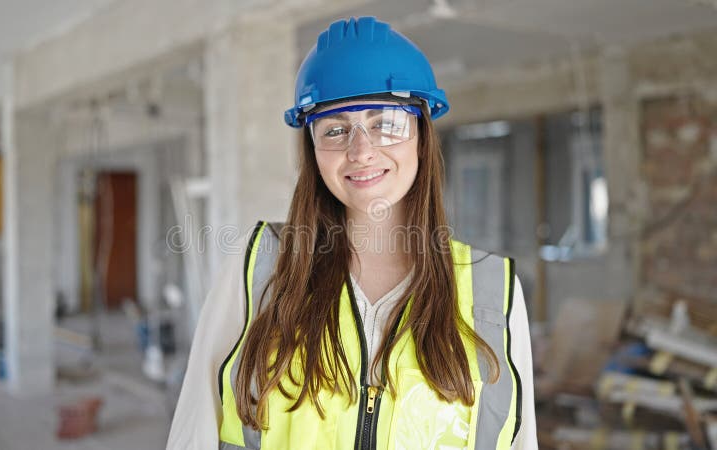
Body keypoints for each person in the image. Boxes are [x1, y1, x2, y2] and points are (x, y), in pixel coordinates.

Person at [167, 16, 537, 450]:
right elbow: (193, 435)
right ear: (313, 151)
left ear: (421, 135)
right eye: (336, 130)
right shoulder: (257, 270)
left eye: (386, 123)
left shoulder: (494, 292)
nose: (361, 151)